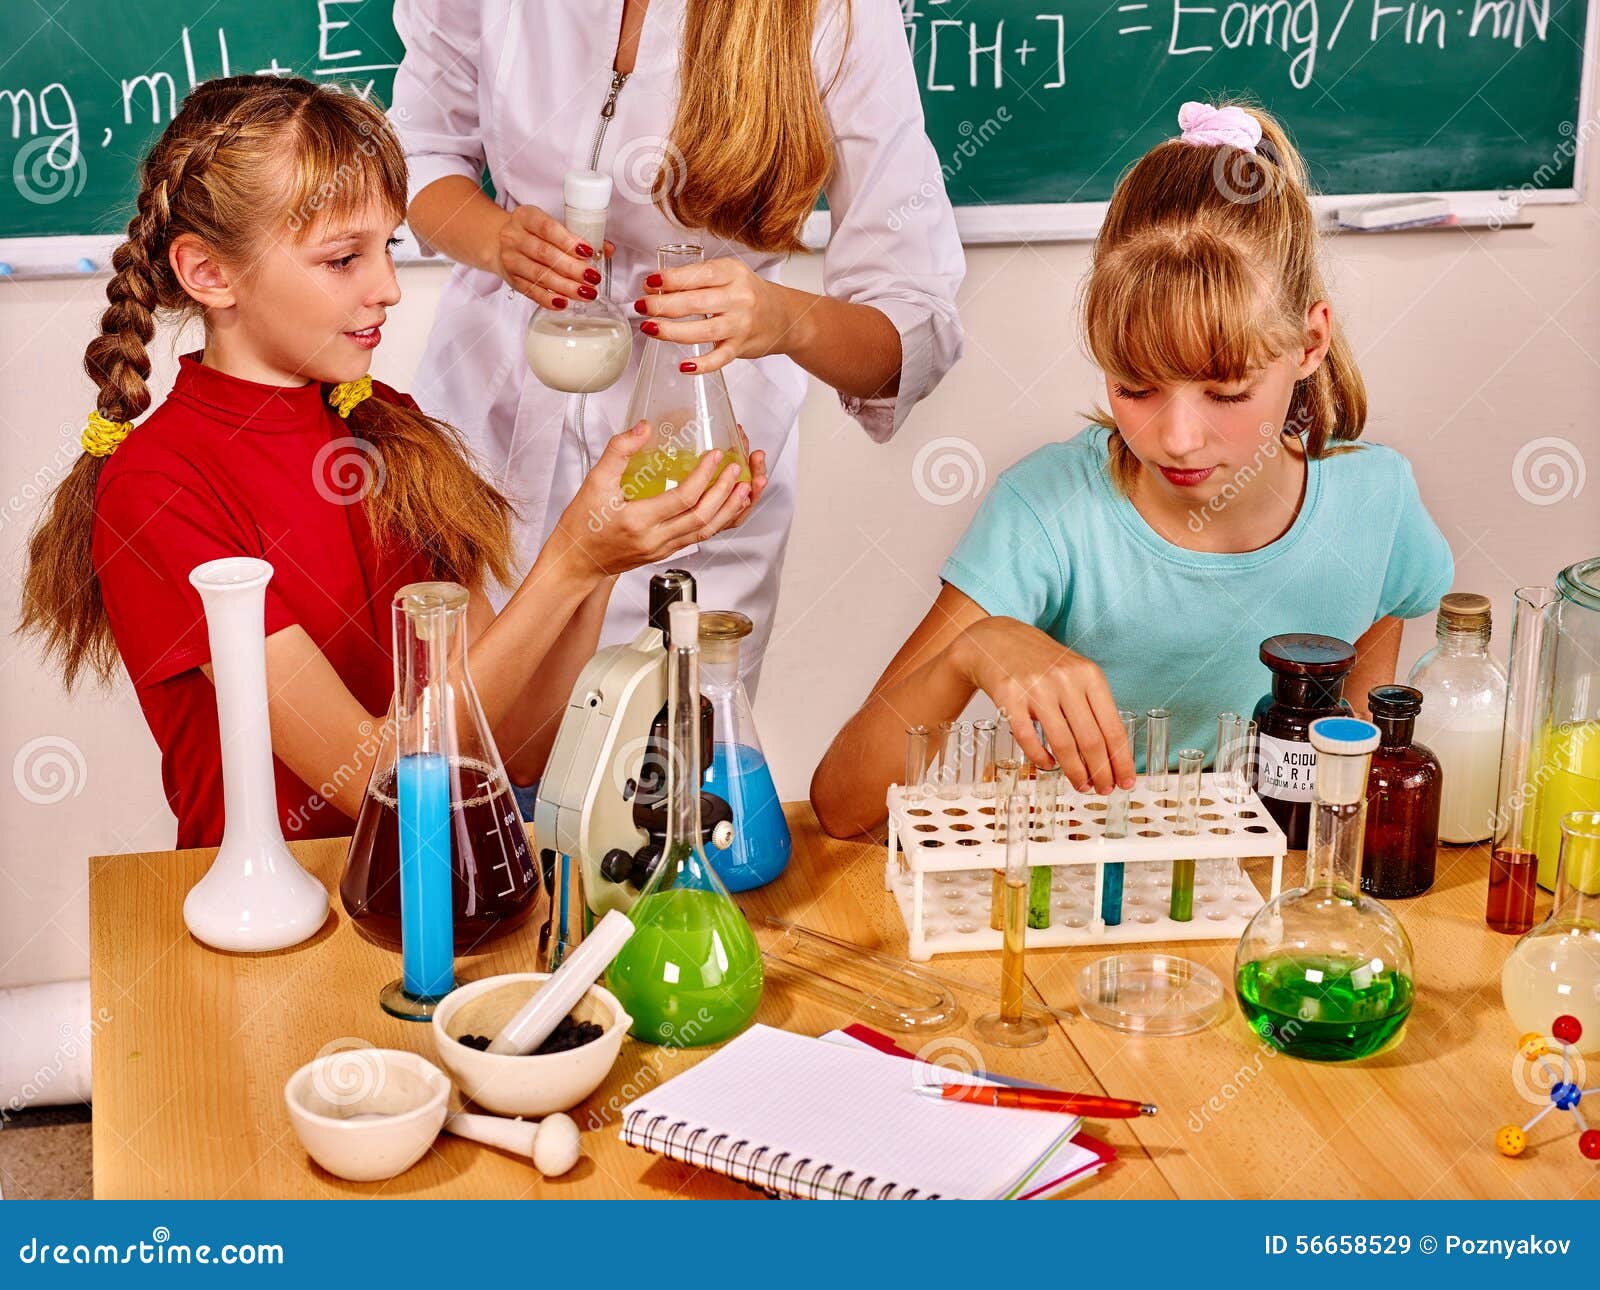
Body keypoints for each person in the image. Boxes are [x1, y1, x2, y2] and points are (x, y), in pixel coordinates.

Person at [18, 75, 763, 849]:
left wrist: (607, 555)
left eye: (389, 248)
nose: (390, 289)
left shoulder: (388, 431)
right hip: (284, 932)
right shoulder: (158, 490)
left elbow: (513, 751)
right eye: (344, 259)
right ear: (209, 272)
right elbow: (380, 788)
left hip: (437, 894)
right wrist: (569, 562)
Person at [810, 102, 1453, 839]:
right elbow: (841, 801)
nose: (1177, 438)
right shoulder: (1049, 511)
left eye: (1227, 392)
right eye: (1135, 386)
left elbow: (1356, 793)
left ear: (1309, 344)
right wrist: (973, 652)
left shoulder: (1377, 506)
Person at [390, 0, 965, 691]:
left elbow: (911, 329)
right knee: (457, 753)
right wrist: (497, 241)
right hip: (479, 436)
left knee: (656, 767)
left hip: (687, 462)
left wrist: (783, 319)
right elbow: (418, 153)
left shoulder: (835, 13)